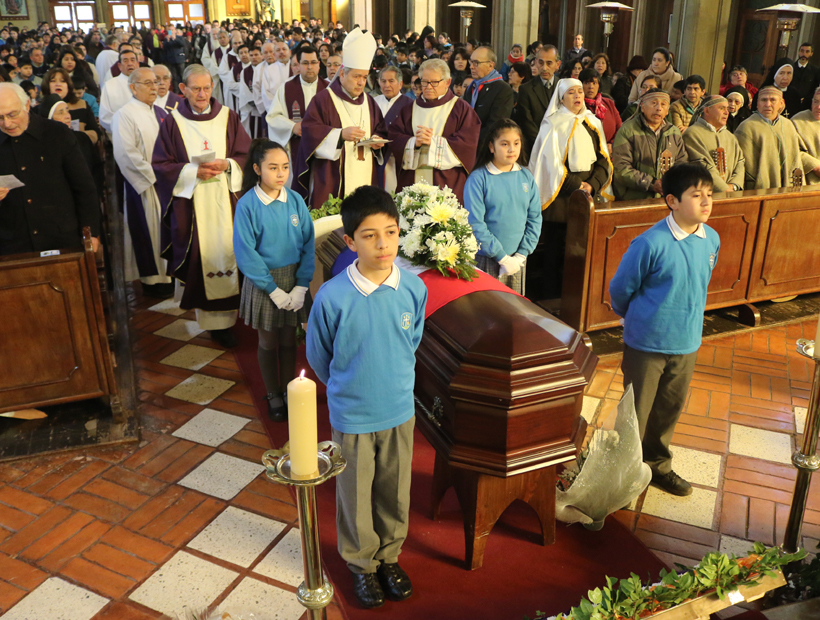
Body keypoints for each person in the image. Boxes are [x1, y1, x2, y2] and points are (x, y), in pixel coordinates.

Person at [306, 185, 427, 610]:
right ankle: (362, 564)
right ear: (350, 241)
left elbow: (411, 341)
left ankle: (389, 557)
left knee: (395, 490)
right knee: (356, 495)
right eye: (370, 235)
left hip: (399, 410)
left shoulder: (413, 289)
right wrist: (348, 388)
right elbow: (320, 356)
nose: (383, 244)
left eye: (391, 233)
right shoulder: (332, 297)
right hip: (354, 415)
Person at [610, 162, 721, 497]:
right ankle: (623, 475)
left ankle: (657, 466)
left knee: (668, 409)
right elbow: (621, 289)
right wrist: (634, 317)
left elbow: (698, 284)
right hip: (647, 343)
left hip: (686, 341)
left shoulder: (711, 239)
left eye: (709, 194)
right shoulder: (650, 243)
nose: (706, 201)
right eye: (696, 195)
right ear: (672, 200)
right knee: (636, 413)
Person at [152, 65, 252, 348]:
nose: (202, 94)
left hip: (227, 202)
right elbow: (161, 165)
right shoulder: (173, 123)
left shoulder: (228, 117)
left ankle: (232, 317)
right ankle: (214, 324)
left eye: (207, 88)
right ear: (183, 89)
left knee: (230, 252)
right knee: (202, 258)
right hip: (193, 208)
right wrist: (191, 171)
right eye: (196, 88)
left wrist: (228, 164)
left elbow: (246, 155)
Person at [234, 139, 314, 422]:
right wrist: (272, 289)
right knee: (268, 339)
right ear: (257, 169)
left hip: (293, 278)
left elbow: (308, 243)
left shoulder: (295, 200)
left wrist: (302, 285)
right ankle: (273, 393)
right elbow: (246, 253)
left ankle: (290, 388)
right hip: (264, 281)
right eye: (273, 167)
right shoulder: (247, 205)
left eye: (285, 167)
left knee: (289, 337)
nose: (281, 174)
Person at [528, 78, 612, 300]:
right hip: (560, 198)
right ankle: (551, 299)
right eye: (571, 92)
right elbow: (549, 164)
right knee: (555, 253)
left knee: (581, 253)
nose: (577, 96)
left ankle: (577, 299)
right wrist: (577, 185)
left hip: (588, 196)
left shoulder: (592, 122)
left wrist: (592, 185)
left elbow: (604, 160)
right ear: (561, 98)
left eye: (580, 92)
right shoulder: (552, 124)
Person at [0, 83, 100, 256]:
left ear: (27, 105)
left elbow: (84, 187)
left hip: (60, 237)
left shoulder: (57, 133)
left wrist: (91, 233)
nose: (7, 123)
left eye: (12, 114)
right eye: (0, 118)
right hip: (13, 244)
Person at [292, 28, 387, 209]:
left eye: (364, 77)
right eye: (356, 76)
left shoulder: (370, 102)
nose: (361, 82)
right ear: (342, 74)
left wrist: (377, 142)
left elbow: (380, 130)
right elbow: (310, 134)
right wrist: (339, 135)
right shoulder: (323, 100)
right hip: (331, 179)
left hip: (365, 173)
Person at [112, 67, 173, 297]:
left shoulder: (161, 112)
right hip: (146, 185)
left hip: (166, 183)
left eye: (155, 82)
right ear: (133, 87)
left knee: (166, 230)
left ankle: (170, 276)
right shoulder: (124, 114)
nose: (154, 87)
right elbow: (126, 154)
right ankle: (153, 281)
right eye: (147, 83)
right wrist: (155, 176)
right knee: (150, 231)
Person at [463, 119, 541, 295]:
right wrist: (502, 257)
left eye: (516, 143)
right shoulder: (479, 178)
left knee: (515, 308)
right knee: (488, 306)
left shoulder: (526, 177)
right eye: (504, 144)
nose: (512, 149)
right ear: (492, 147)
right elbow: (475, 223)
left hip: (518, 260)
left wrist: (521, 255)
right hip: (487, 258)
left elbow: (535, 217)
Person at [388, 58, 481, 204]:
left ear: (448, 82)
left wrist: (433, 142)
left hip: (447, 183)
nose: (428, 87)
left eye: (434, 82)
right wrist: (413, 142)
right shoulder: (408, 109)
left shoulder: (461, 109)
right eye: (424, 82)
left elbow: (468, 145)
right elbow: (394, 138)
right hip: (412, 183)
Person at [734, 85, 820, 189]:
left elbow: (796, 156)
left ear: (781, 103)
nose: (767, 104)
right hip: (760, 188)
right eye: (763, 100)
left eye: (773, 100)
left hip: (788, 186)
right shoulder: (747, 127)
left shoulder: (788, 125)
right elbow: (742, 164)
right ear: (757, 104)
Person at [266, 45, 328, 186]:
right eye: (305, 63)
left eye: (313, 62)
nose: (309, 67)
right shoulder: (286, 88)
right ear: (298, 65)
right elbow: (273, 117)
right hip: (297, 147)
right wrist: (292, 127)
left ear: (319, 64)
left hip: (324, 148)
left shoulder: (329, 88)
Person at [612, 88, 688, 200]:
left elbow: (682, 163)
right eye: (654, 103)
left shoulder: (674, 132)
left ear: (667, 111)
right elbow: (621, 169)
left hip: (666, 198)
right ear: (642, 107)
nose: (658, 108)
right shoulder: (627, 130)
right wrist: (652, 183)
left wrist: (672, 183)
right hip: (633, 198)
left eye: (663, 104)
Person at [682, 95, 745, 192]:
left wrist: (734, 185)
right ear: (707, 111)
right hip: (703, 194)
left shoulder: (730, 136)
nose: (726, 112)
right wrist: (724, 189)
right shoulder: (692, 133)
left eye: (727, 108)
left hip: (731, 194)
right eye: (721, 108)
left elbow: (740, 162)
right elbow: (701, 164)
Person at [514, 44, 561, 156]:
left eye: (549, 63)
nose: (544, 68)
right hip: (535, 148)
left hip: (560, 146)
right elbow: (526, 122)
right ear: (535, 62)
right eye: (541, 62)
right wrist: (544, 145)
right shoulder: (526, 89)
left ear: (557, 64)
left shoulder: (564, 87)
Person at [464, 45, 514, 149]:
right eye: (471, 62)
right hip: (467, 143)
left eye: (476, 63)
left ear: (490, 65)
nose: (471, 67)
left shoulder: (502, 89)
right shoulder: (471, 86)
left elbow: (496, 124)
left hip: (486, 146)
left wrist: (471, 139)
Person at [373, 66, 412, 193]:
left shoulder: (409, 104)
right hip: (374, 154)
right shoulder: (373, 102)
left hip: (396, 159)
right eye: (383, 81)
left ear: (400, 83)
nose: (387, 85)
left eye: (391, 81)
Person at [100, 48, 139, 132]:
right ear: (119, 66)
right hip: (121, 131)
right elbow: (105, 116)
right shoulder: (110, 85)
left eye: (132, 60)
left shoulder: (146, 83)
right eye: (125, 61)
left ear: (137, 64)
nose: (130, 63)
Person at [579, 68, 621, 148]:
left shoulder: (609, 103)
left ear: (599, 85)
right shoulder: (578, 106)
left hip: (610, 150)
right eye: (587, 83)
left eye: (594, 83)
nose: (591, 87)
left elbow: (619, 127)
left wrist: (612, 144)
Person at [791, 88, 820, 183]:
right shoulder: (798, 121)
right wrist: (815, 166)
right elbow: (791, 149)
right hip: (808, 183)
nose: (818, 107)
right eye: (816, 101)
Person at [201, 29, 230, 104]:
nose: (222, 39)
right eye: (220, 38)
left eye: (224, 37)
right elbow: (212, 65)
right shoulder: (216, 52)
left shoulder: (233, 50)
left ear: (228, 38)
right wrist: (221, 72)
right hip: (220, 78)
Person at [260, 39, 290, 112]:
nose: (281, 52)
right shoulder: (268, 70)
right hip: (276, 109)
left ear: (290, 52)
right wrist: (277, 109)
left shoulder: (296, 67)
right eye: (278, 50)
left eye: (284, 49)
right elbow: (266, 94)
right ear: (274, 54)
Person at [792, 43, 819, 107]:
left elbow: (816, 88)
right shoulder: (791, 68)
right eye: (802, 51)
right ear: (799, 52)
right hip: (790, 102)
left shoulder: (815, 71)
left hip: (807, 104)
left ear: (811, 53)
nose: (804, 54)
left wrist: (806, 99)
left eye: (807, 51)